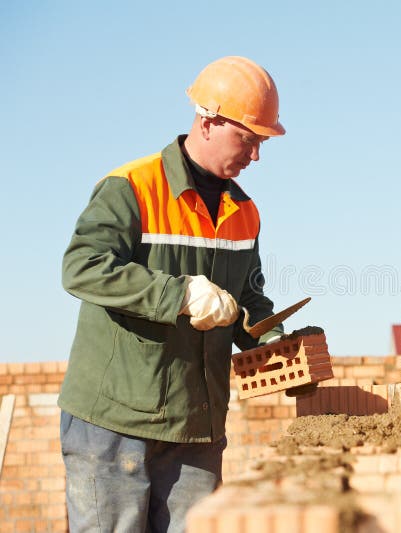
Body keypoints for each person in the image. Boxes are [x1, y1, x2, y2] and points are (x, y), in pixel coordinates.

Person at [59, 56, 287, 532]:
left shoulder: (245, 212)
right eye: (248, 138)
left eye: (261, 142)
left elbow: (249, 298)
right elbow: (82, 267)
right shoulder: (132, 187)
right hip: (114, 424)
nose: (256, 155)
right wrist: (178, 295)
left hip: (195, 427)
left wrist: (273, 341)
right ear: (207, 121)